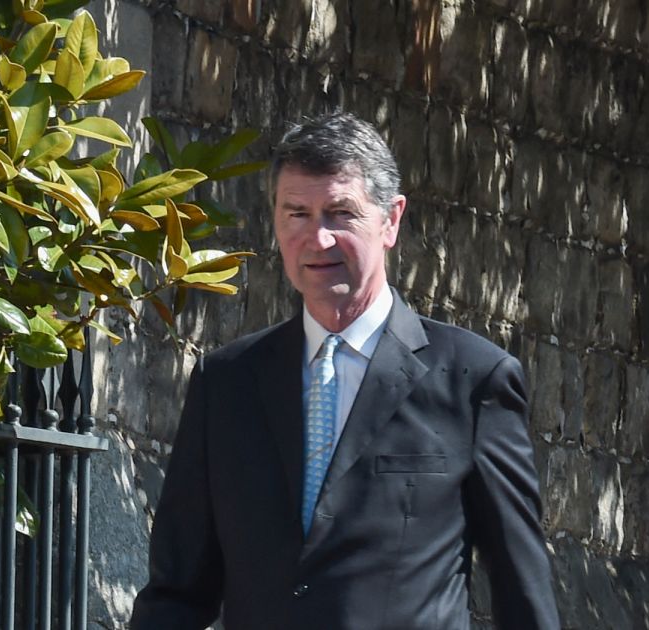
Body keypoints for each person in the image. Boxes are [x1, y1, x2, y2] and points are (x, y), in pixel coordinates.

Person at [130, 112, 560, 629]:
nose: (319, 238)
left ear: (391, 220)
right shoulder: (226, 383)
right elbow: (176, 593)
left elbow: (521, 588)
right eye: (297, 214)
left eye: (341, 213)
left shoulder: (473, 381)